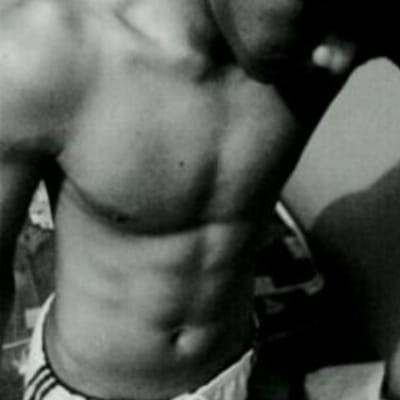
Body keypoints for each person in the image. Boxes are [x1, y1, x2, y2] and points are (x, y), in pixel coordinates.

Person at [0, 0, 397, 399]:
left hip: (236, 370)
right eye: (313, 17)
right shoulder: (45, 53)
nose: (341, 59)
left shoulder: (329, 34)